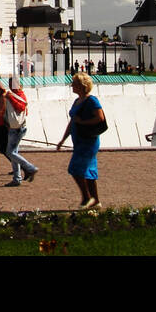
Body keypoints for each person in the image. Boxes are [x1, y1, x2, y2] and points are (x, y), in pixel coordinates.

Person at [57, 71, 105, 209]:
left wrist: (82, 122)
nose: (72, 85)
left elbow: (99, 118)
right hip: (79, 140)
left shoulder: (92, 100)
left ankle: (86, 198)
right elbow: (72, 122)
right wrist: (63, 139)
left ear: (82, 85)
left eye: (74, 83)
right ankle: (95, 201)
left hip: (88, 141)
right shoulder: (77, 101)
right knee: (88, 171)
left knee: (75, 168)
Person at [2, 75, 38, 186]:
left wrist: (10, 97)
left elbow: (21, 108)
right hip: (14, 127)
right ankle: (17, 178)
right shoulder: (13, 94)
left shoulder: (19, 95)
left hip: (18, 128)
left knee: (10, 152)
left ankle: (29, 167)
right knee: (14, 153)